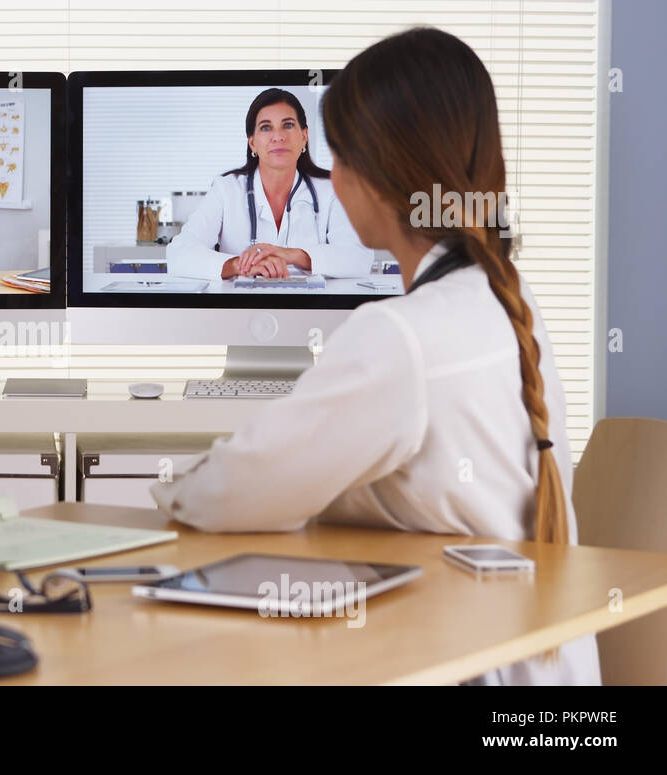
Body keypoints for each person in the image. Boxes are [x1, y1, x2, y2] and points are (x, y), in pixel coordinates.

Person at [150, 28, 600, 685]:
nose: (332, 175)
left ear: (379, 180)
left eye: (340, 155)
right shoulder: (509, 295)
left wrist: (168, 487)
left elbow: (231, 492)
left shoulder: (400, 337)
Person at [166, 88, 373, 282]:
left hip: (312, 309)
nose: (278, 136)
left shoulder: (331, 189)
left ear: (304, 136)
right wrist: (239, 265)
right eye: (266, 127)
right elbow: (179, 254)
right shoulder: (226, 189)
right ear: (253, 143)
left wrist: (290, 255)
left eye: (288, 125)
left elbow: (359, 257)